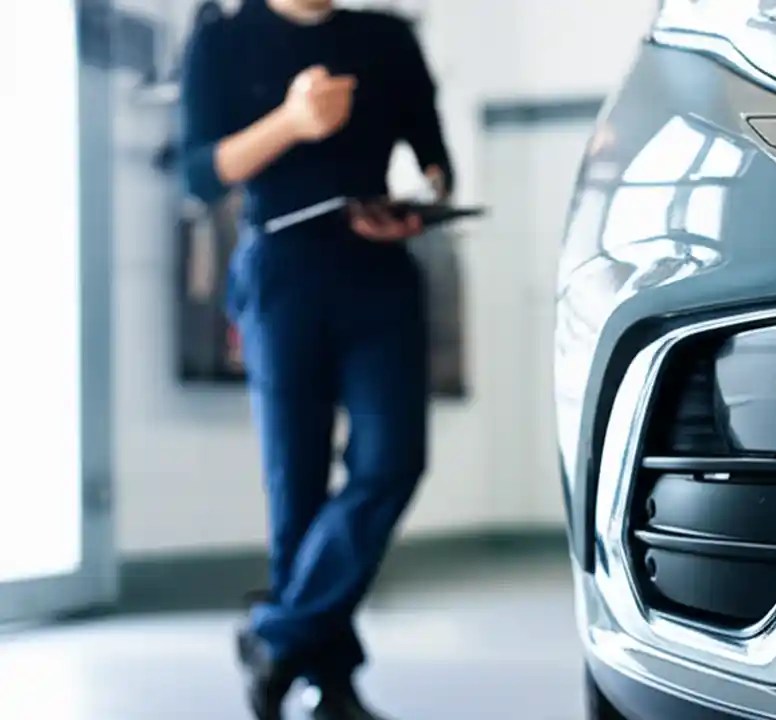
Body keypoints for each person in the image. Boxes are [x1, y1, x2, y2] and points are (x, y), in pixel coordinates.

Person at [179, 0, 452, 718]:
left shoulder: (388, 38)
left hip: (380, 273)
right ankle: (328, 681)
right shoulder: (223, 40)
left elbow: (434, 159)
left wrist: (420, 202)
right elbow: (199, 173)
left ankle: (274, 635)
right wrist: (292, 124)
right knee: (294, 481)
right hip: (281, 276)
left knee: (394, 459)